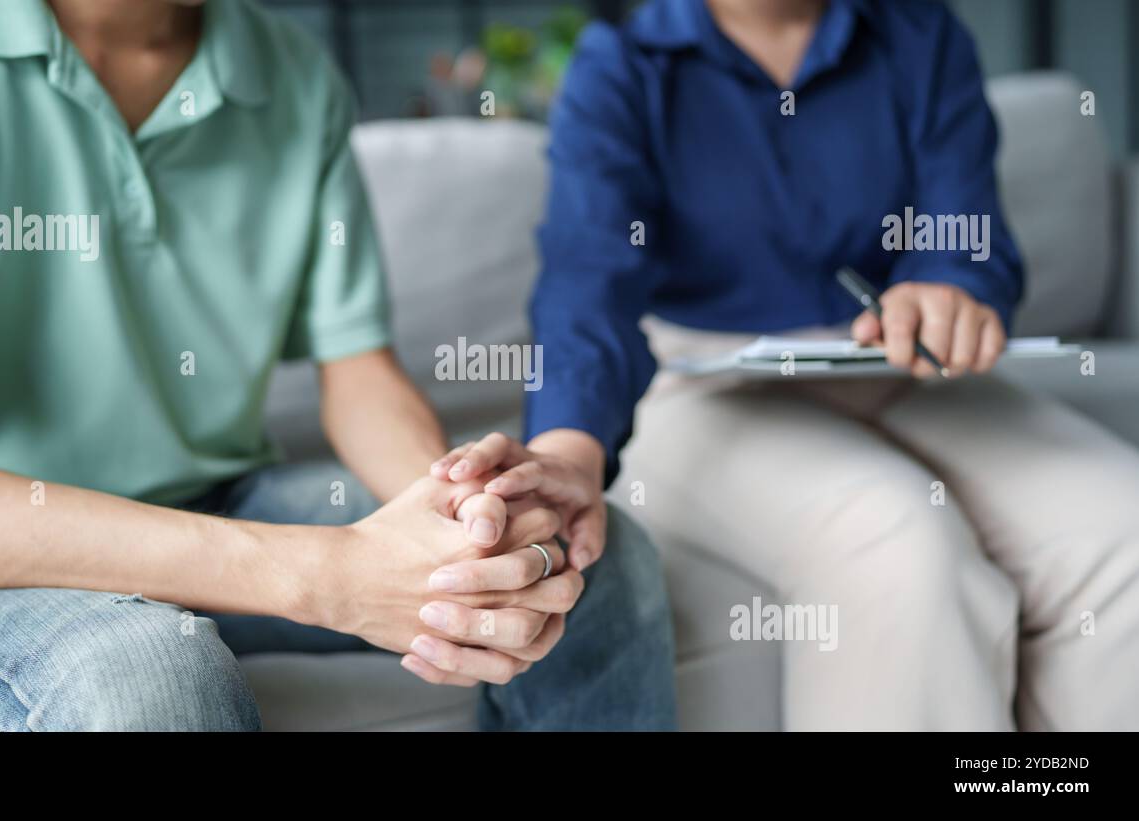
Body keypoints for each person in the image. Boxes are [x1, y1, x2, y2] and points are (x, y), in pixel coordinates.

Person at [0, 0, 676, 731]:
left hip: (206, 494)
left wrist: (462, 513)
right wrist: (323, 575)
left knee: (571, 553)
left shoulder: (290, 72)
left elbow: (359, 376)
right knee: (147, 675)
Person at [437, 0, 1139, 730]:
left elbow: (962, 225)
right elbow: (589, 279)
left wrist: (951, 286)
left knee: (1122, 522)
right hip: (701, 382)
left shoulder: (919, 36)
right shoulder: (622, 66)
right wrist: (569, 450)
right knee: (897, 543)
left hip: (893, 359)